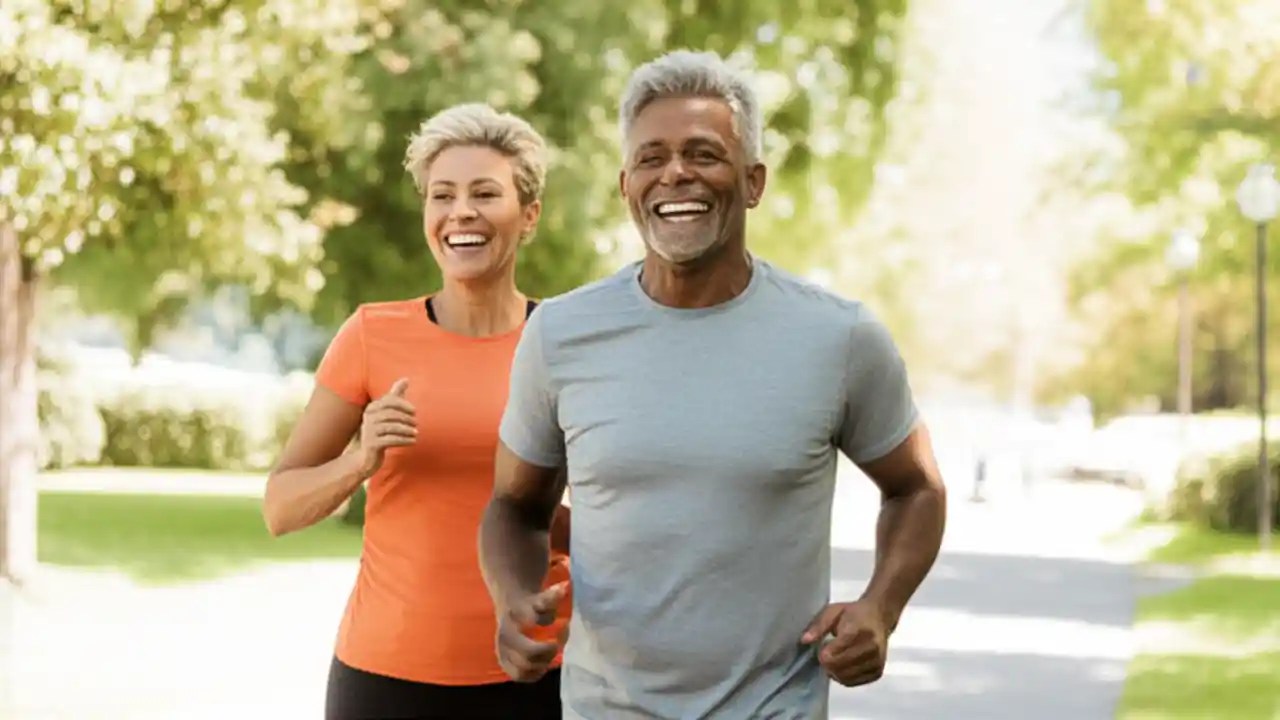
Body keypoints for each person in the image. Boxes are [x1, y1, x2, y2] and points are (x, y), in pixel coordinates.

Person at [478, 50, 947, 719]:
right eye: (651, 157)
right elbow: (513, 509)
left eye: (703, 154)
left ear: (753, 181)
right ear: (626, 185)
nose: (675, 173)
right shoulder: (559, 334)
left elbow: (917, 486)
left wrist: (882, 607)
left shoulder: (837, 338)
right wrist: (513, 600)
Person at [263, 103, 571, 720]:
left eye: (486, 193)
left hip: (534, 671)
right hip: (385, 678)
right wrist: (360, 461)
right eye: (442, 195)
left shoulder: (565, 340)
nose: (461, 211)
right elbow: (280, 506)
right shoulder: (372, 335)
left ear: (529, 215)